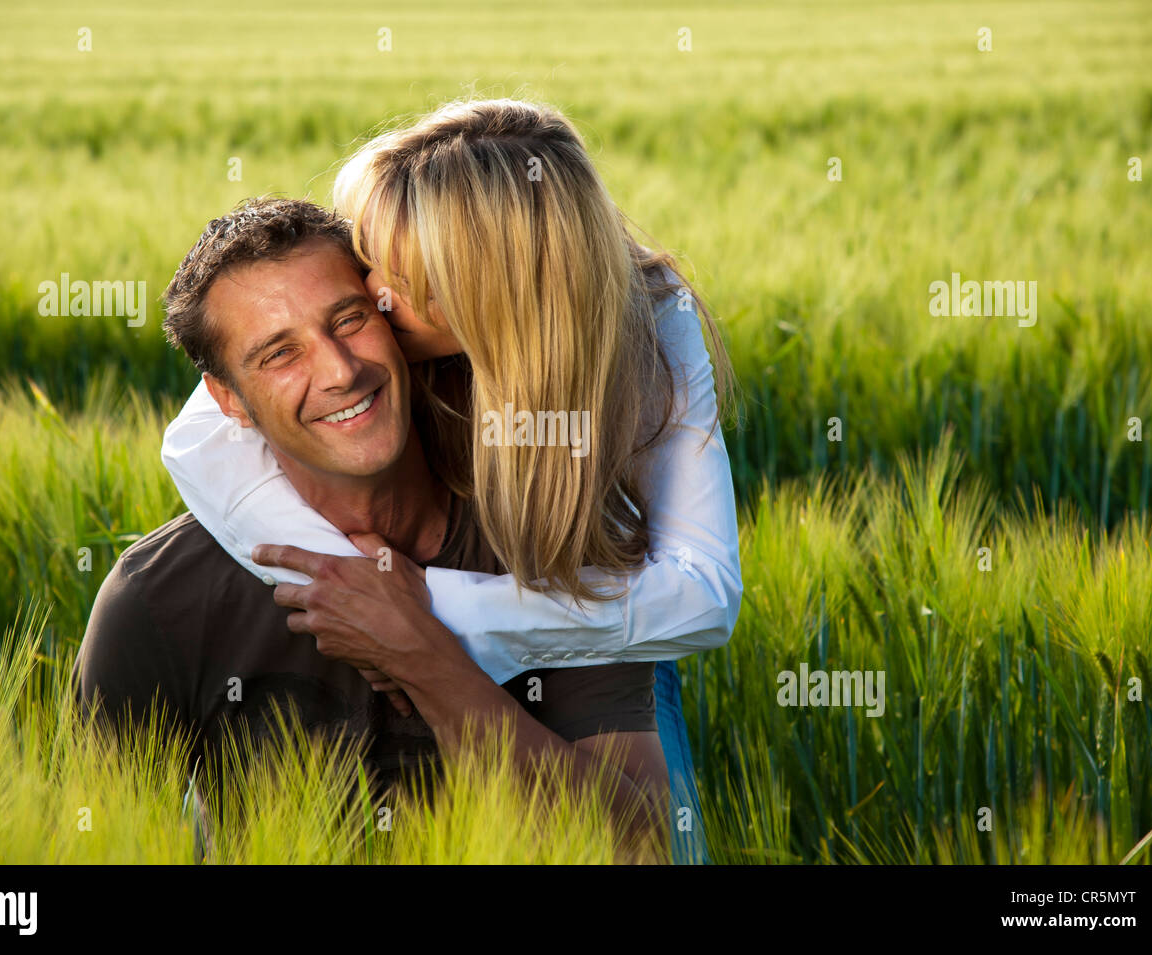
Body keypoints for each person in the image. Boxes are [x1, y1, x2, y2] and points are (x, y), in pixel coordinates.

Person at [161, 99, 742, 863]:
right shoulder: (359, 330)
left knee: (659, 842)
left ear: (501, 297)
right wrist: (367, 595)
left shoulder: (650, 323)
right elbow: (198, 444)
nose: (370, 294)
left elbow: (700, 594)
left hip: (575, 571)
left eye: (406, 279)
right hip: (514, 573)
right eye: (372, 252)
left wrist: (430, 619)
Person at [76, 200, 670, 857]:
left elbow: (636, 844)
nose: (339, 370)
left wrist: (425, 658)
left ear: (396, 320)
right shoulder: (158, 600)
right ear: (229, 401)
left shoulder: (553, 537)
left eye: (349, 320)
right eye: (280, 354)